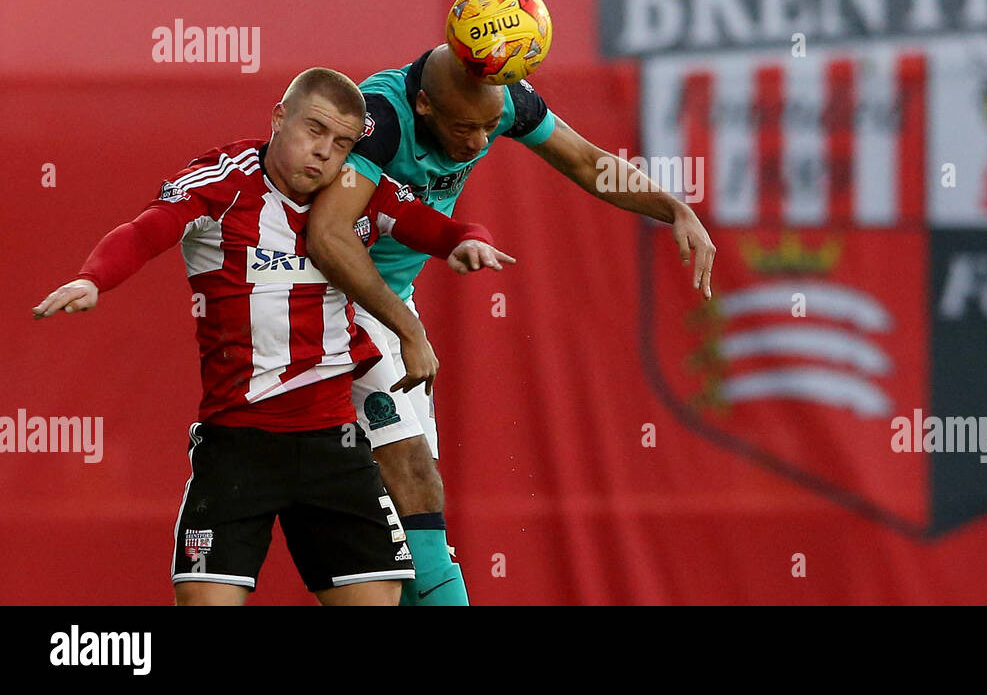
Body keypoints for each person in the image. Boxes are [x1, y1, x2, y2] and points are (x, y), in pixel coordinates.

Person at [32, 67, 514, 605]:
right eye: (314, 131)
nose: (324, 153)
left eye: (342, 143)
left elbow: (435, 226)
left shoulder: (356, 193)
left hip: (335, 447)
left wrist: (471, 240)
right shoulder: (220, 181)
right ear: (278, 118)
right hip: (238, 446)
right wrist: (93, 278)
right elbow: (146, 231)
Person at [307, 45, 717, 605]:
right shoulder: (379, 117)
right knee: (412, 479)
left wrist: (674, 208)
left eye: (489, 128)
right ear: (424, 104)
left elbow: (585, 161)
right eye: (463, 127)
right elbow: (328, 236)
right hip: (330, 303)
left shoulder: (507, 100)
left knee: (401, 506)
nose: (478, 142)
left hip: (387, 305)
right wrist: (409, 330)